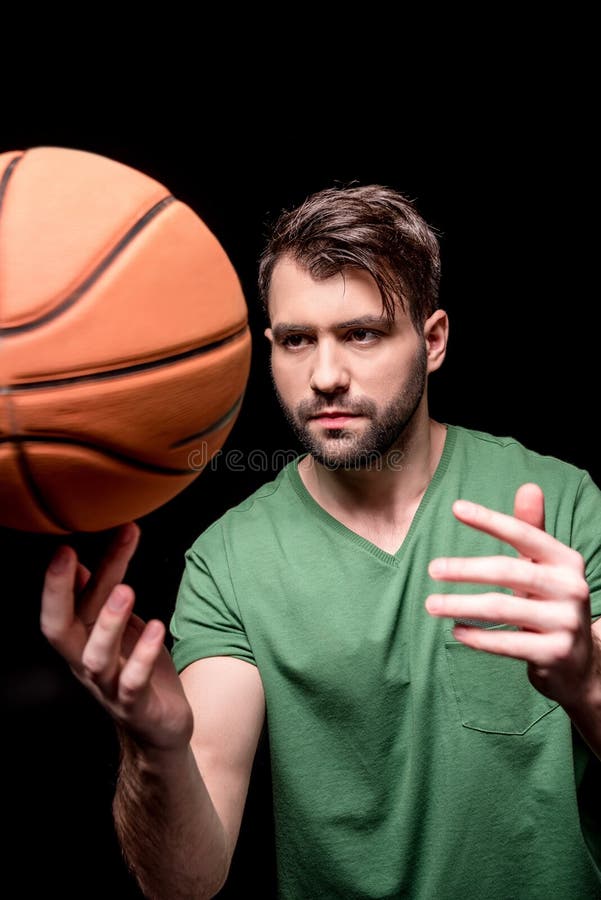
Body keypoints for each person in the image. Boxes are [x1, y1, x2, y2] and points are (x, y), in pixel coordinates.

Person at [41, 184, 601, 900]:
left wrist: (586, 683)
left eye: (361, 334)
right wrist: (154, 748)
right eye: (297, 340)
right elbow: (186, 883)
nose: (325, 377)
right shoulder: (229, 561)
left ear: (432, 341)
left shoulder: (561, 503)